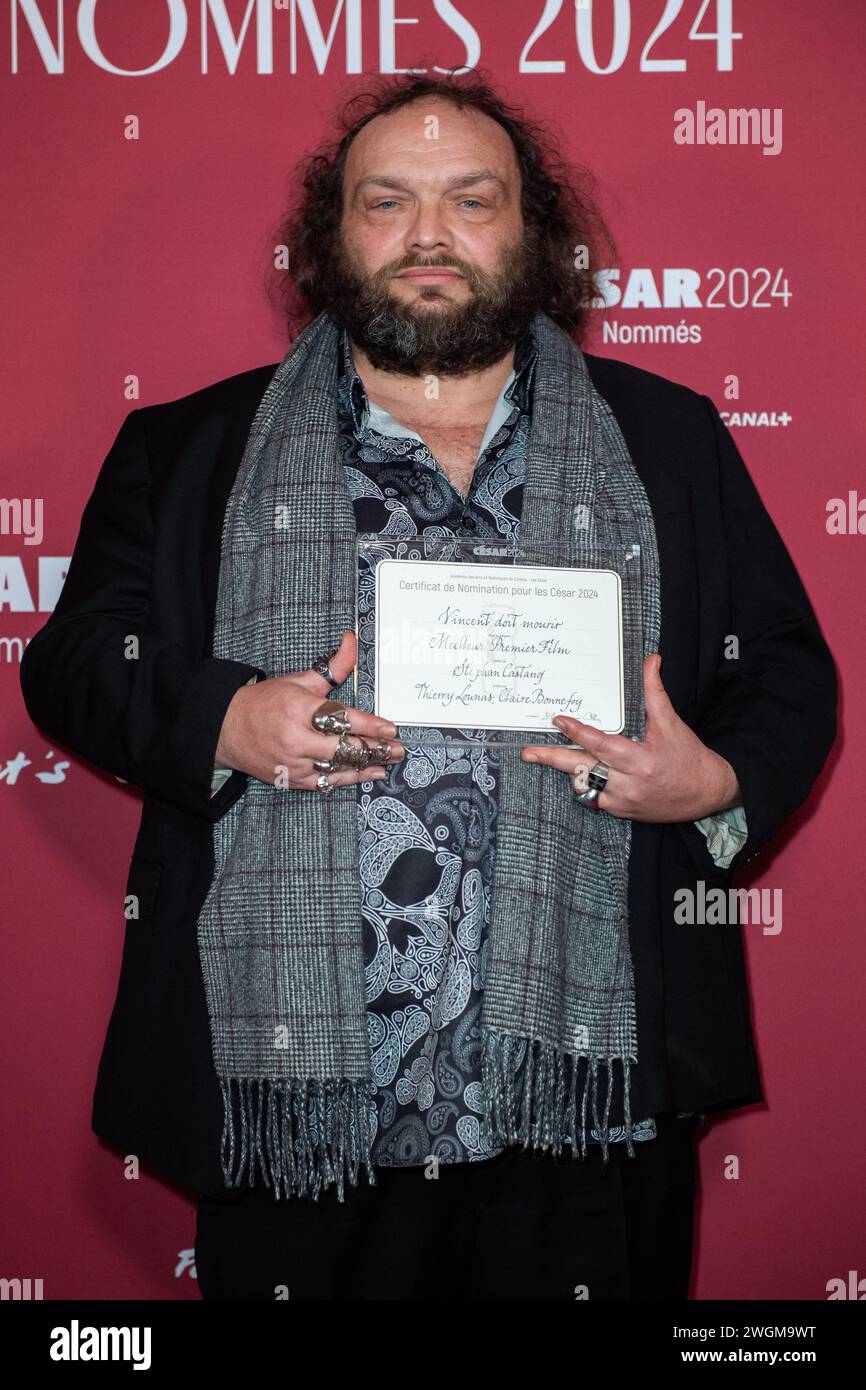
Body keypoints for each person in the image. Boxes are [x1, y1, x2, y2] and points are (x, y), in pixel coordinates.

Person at [20, 71, 837, 1301]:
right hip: (303, 1109)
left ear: (532, 233)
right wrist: (225, 720)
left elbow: (782, 668)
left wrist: (710, 779)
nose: (429, 236)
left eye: (471, 200)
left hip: (587, 1097)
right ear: (330, 235)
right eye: (386, 202)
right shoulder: (190, 447)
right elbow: (78, 661)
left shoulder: (665, 439)